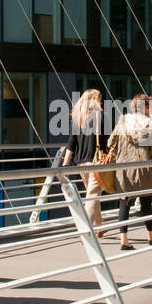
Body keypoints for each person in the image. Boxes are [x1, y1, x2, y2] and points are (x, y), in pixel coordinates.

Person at [110, 94, 152, 250]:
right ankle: (151, 236)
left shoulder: (122, 122)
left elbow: (110, 142)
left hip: (123, 168)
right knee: (146, 202)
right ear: (145, 108)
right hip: (144, 168)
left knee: (124, 203)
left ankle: (124, 240)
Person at [62, 89, 109, 234]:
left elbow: (71, 144)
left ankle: (99, 226)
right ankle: (85, 231)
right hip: (96, 162)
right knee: (92, 196)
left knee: (92, 194)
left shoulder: (78, 118)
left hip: (81, 163)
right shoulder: (100, 116)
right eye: (99, 98)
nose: (101, 101)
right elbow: (108, 141)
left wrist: (65, 165)